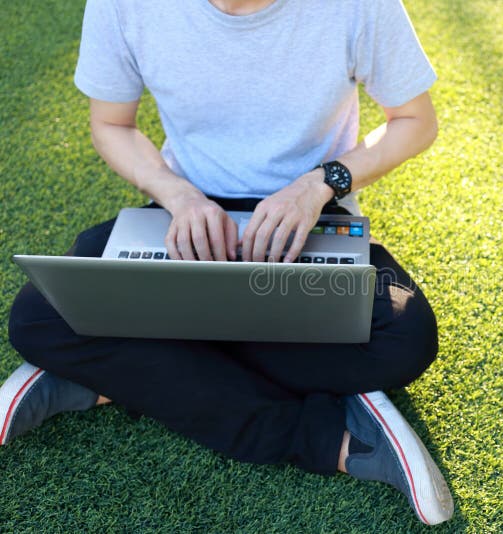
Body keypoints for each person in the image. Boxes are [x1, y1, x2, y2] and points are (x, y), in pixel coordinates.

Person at [2, 0, 453, 525]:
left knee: (406, 338)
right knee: (38, 316)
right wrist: (178, 195)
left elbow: (415, 121)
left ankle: (105, 374)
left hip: (313, 222)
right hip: (182, 218)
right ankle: (331, 438)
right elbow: (111, 124)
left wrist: (317, 186)